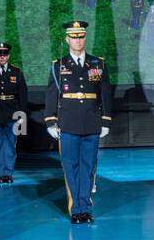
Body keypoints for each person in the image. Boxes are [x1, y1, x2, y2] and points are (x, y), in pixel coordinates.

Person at [44, 20, 111, 222]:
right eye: (74, 37)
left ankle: (86, 208)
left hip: (91, 121)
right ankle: (76, 209)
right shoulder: (59, 65)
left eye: (80, 36)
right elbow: (51, 94)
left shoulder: (98, 63)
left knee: (88, 166)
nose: (78, 40)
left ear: (84, 38)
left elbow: (105, 93)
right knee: (71, 166)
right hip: (69, 122)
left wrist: (106, 121)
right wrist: (50, 121)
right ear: (67, 39)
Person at [0, 42, 28, 182]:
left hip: (12, 113)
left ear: (8, 56)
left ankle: (7, 173)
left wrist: (22, 114)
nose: (2, 57)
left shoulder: (17, 72)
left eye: (4, 54)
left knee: (10, 144)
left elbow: (22, 94)